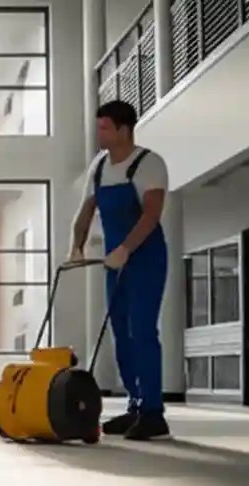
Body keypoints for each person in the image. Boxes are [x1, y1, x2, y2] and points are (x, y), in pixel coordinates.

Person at [69, 100, 171, 441]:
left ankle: (153, 413)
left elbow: (152, 214)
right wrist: (77, 247)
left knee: (142, 330)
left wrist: (126, 249)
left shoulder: (148, 163)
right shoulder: (99, 168)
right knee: (121, 335)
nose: (98, 133)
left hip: (145, 257)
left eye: (104, 128)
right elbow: (85, 213)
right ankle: (134, 406)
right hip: (115, 262)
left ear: (123, 130)